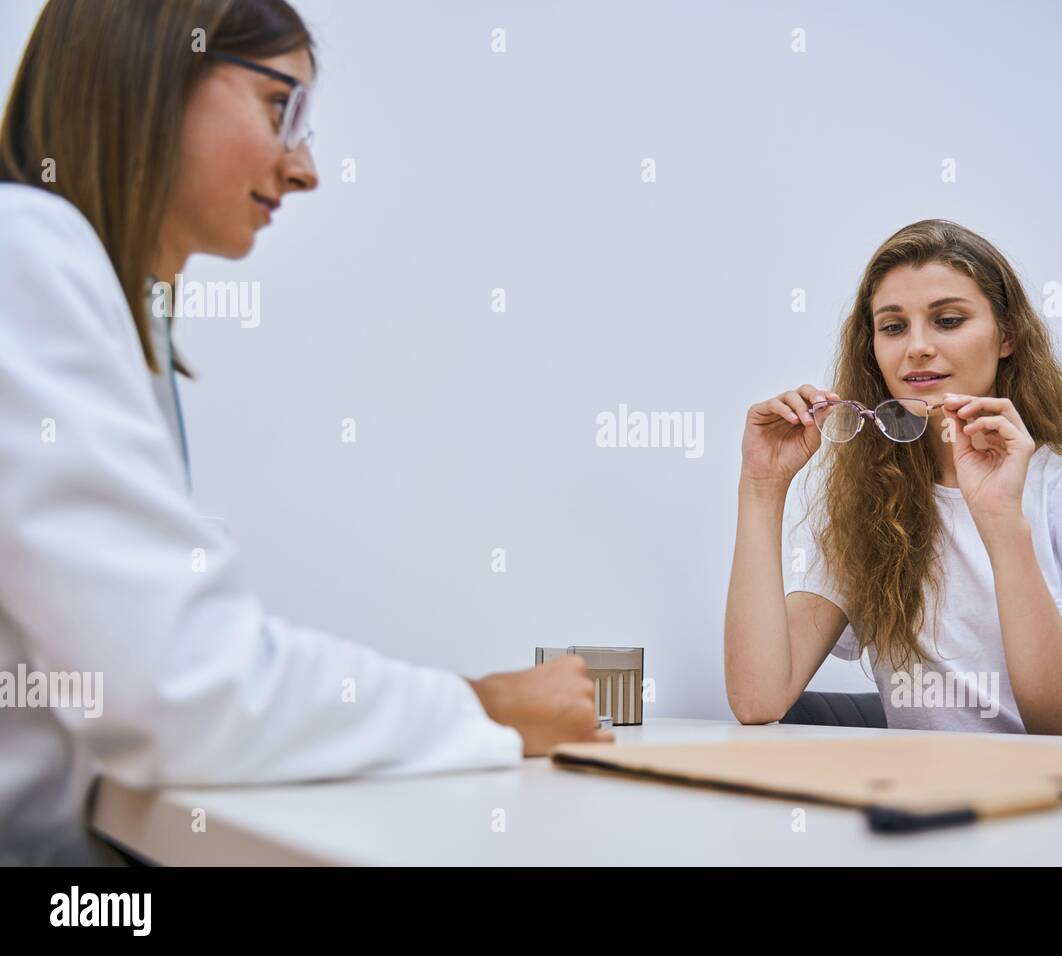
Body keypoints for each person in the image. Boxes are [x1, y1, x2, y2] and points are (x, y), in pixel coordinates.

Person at [0, 0, 609, 866]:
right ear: (150, 69)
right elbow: (181, 688)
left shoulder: (103, 298)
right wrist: (480, 708)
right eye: (280, 106)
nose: (306, 167)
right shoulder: (27, 251)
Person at [724, 219, 1062, 737]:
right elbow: (758, 697)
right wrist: (761, 488)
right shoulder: (867, 502)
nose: (916, 347)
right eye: (893, 327)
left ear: (1007, 335)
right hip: (941, 806)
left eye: (947, 320)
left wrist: (1000, 519)